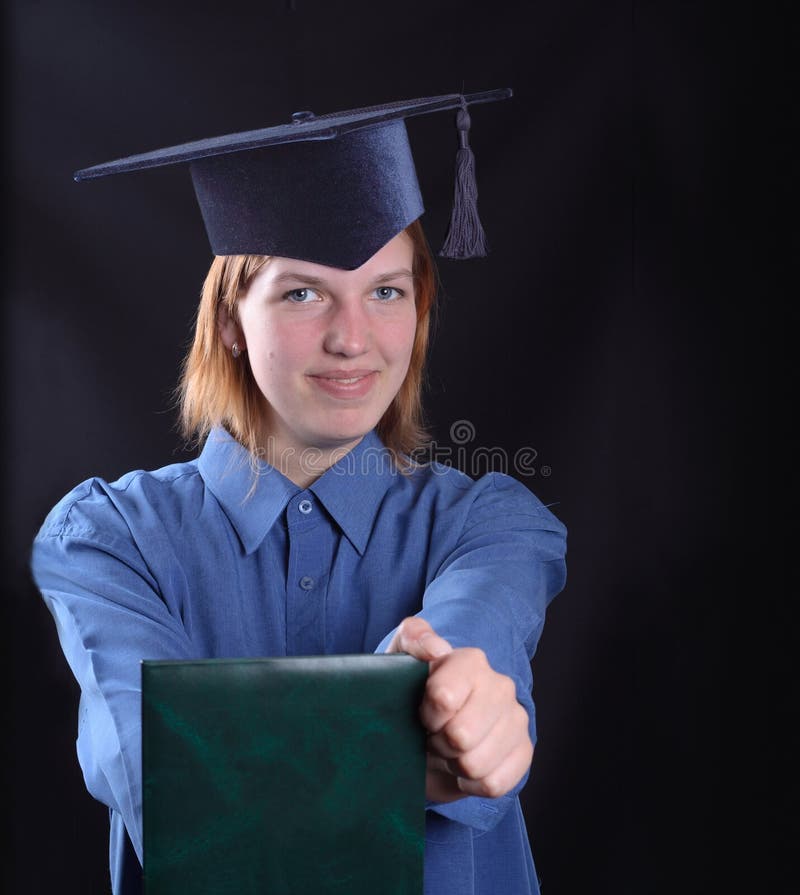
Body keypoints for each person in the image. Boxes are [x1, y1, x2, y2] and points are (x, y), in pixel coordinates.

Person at [31, 89, 567, 895]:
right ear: (230, 322)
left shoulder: (487, 523)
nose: (353, 338)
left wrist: (466, 707)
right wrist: (391, 735)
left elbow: (474, 636)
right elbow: (157, 771)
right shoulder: (108, 539)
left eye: (387, 291)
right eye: (302, 292)